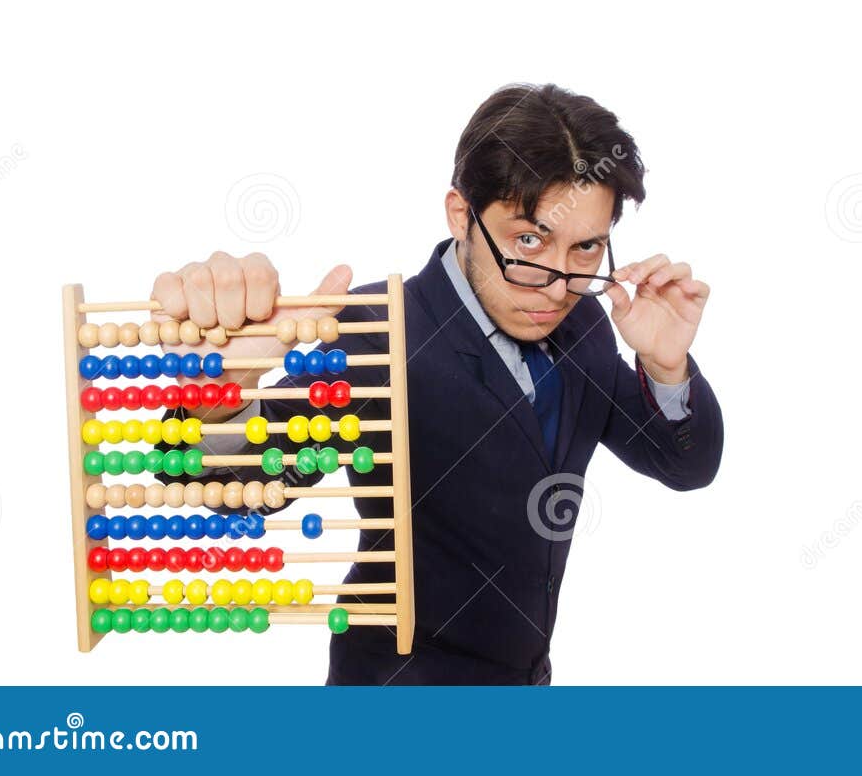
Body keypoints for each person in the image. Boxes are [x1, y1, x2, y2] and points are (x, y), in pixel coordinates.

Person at [152, 83, 723, 684]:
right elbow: (221, 492)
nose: (557, 286)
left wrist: (665, 366)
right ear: (461, 215)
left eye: (586, 248)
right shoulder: (375, 332)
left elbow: (686, 467)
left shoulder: (586, 323)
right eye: (528, 241)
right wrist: (219, 395)